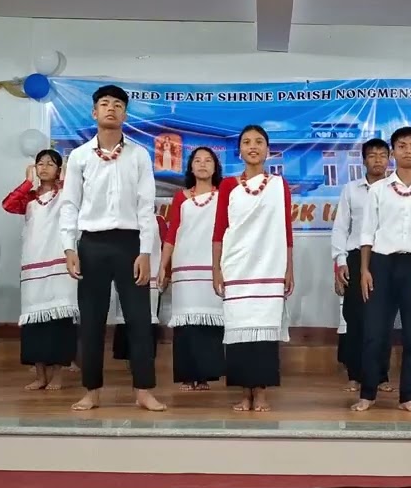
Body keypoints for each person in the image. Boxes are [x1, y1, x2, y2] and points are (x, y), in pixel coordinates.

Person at [59, 84, 165, 412]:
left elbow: (146, 205)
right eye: (104, 104)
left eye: (118, 105)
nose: (111, 109)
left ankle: (144, 389)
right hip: (91, 243)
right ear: (94, 112)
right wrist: (69, 247)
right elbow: (69, 204)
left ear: (125, 113)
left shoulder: (138, 155)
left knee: (139, 319)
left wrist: (145, 251)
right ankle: (91, 390)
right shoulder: (78, 157)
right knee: (91, 321)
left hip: (130, 243)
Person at [353, 127, 411, 413]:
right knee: (374, 333)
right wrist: (365, 270)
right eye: (402, 146)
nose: (408, 150)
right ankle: (368, 393)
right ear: (393, 152)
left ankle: (408, 395)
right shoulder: (379, 189)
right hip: (381, 264)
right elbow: (367, 233)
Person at [212, 125, 294, 412]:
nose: (253, 146)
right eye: (246, 142)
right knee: (239, 331)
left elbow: (286, 229)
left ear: (267, 149)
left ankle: (260, 392)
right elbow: (220, 229)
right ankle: (244, 393)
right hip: (237, 267)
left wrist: (289, 269)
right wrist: (216, 269)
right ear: (240, 150)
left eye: (259, 141)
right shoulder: (227, 185)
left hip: (269, 266)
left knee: (264, 334)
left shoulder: (278, 185)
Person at [3, 149, 78, 391]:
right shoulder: (30, 197)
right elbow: (8, 205)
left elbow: (78, 201)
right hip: (33, 267)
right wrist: (27, 182)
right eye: (40, 164)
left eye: (50, 164)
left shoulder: (65, 195)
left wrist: (67, 177)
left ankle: (57, 375)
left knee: (58, 324)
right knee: (34, 324)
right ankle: (40, 375)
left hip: (59, 265)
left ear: (59, 169)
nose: (44, 167)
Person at [159, 146, 226, 391]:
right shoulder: (181, 198)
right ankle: (188, 376)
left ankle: (206, 375)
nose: (202, 164)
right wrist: (163, 266)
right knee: (186, 323)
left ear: (215, 167)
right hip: (184, 267)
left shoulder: (223, 197)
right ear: (190, 167)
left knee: (210, 322)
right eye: (197, 160)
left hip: (212, 266)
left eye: (208, 160)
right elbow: (172, 233)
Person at [330, 138, 392, 393]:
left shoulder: (395, 189)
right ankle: (355, 375)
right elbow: (341, 227)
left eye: (382, 155)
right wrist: (340, 262)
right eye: (372, 155)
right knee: (355, 318)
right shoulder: (351, 189)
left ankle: (380, 375)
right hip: (355, 258)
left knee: (383, 319)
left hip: (385, 257)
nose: (377, 160)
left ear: (389, 159)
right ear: (363, 160)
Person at [111, 214, 166, 362]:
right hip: (126, 273)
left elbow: (164, 246)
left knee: (148, 315)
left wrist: (164, 270)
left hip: (152, 273)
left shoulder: (158, 220)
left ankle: (145, 357)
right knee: (127, 314)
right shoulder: (122, 220)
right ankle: (128, 355)